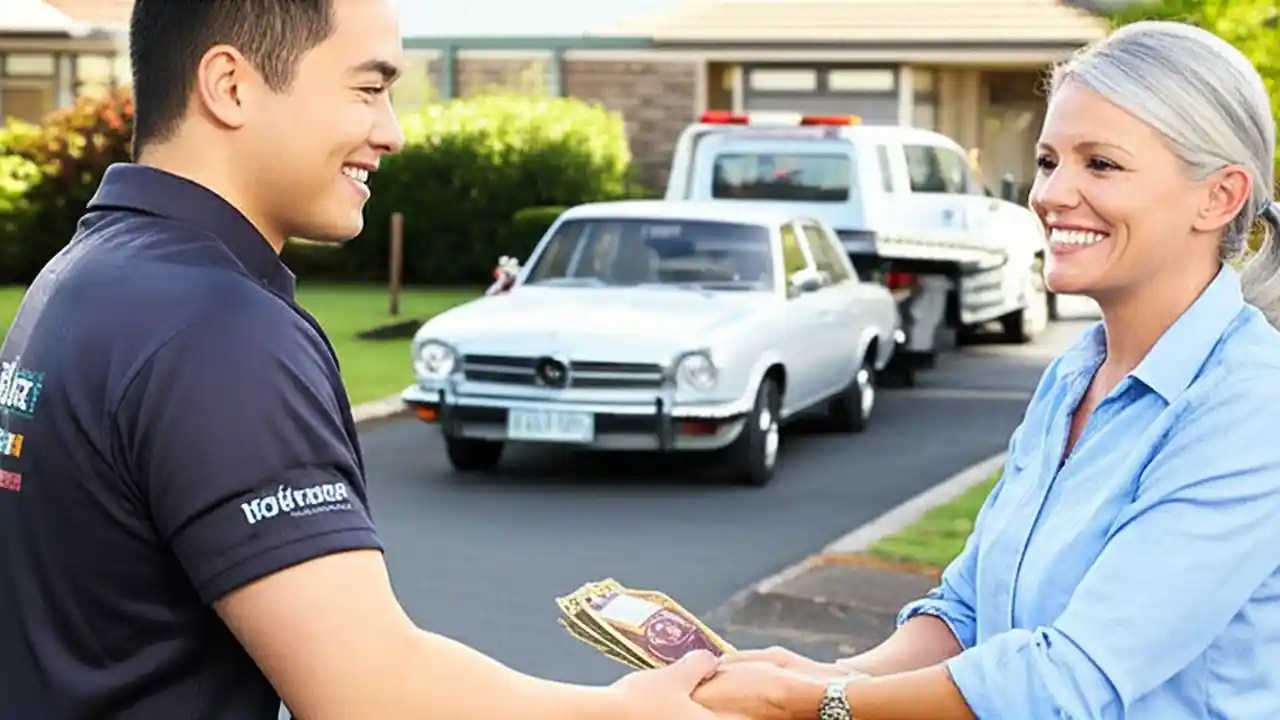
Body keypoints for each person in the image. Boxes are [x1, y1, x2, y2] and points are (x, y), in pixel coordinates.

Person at [0, 1, 728, 718]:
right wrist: (625, 711)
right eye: (369, 89)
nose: (394, 133)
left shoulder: (81, 279)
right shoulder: (218, 331)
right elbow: (370, 692)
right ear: (230, 85)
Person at [690, 20, 1280, 720]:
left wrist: (817, 702)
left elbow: (1069, 678)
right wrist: (830, 672)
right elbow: (966, 611)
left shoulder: (1251, 405)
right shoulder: (1071, 378)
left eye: (1102, 164)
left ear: (1219, 197)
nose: (1052, 194)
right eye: (1049, 160)